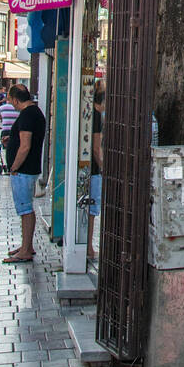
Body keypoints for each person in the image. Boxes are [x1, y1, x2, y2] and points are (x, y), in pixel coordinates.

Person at [3, 84, 46, 264]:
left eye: (10, 101)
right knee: (27, 208)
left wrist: (14, 167)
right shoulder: (35, 112)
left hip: (24, 170)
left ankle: (26, 250)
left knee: (25, 209)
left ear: (15, 99)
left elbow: (25, 145)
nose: (11, 104)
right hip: (29, 169)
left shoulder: (28, 115)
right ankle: (26, 245)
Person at [87, 85, 104, 264]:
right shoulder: (97, 115)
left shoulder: (89, 113)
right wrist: (102, 166)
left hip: (87, 168)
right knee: (92, 209)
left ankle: (87, 245)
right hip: (93, 170)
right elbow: (96, 147)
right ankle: (89, 247)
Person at [0, 94, 20, 173]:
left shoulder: (2, 108)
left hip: (5, 130)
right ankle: (16, 164)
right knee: (16, 147)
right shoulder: (18, 108)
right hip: (16, 131)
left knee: (7, 149)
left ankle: (9, 165)